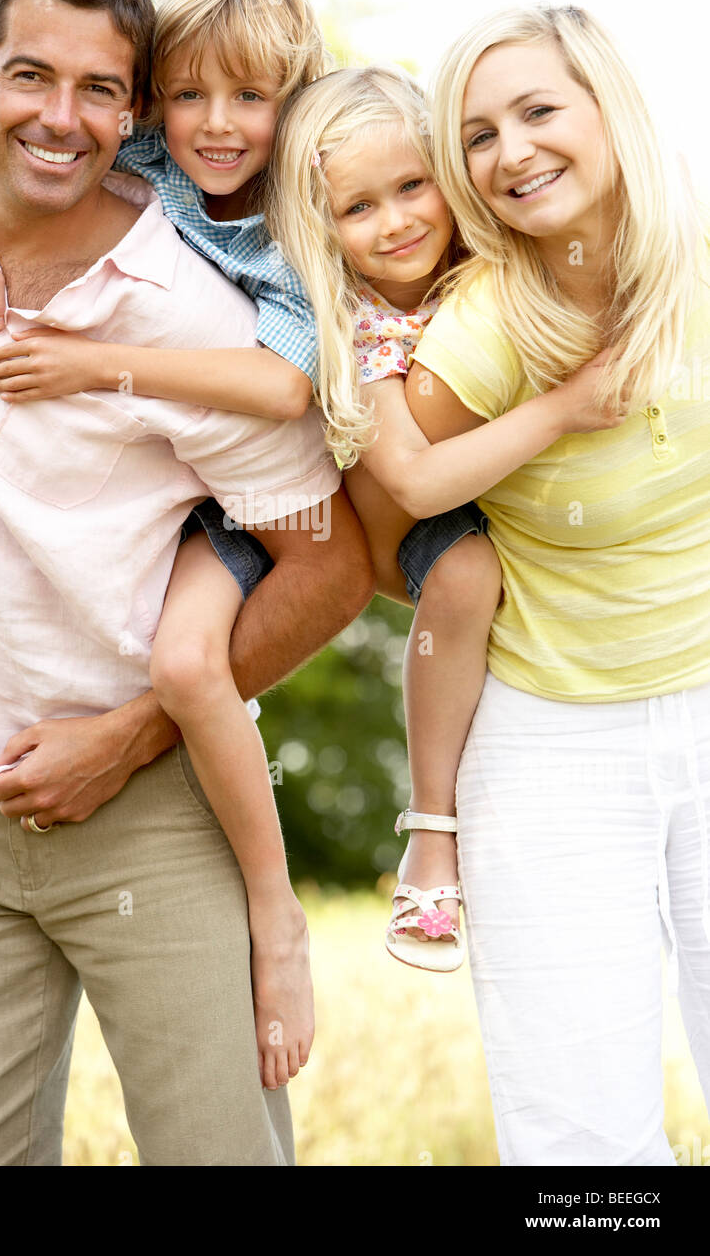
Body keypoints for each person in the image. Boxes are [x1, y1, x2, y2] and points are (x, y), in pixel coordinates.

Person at [0, 0, 374, 1166]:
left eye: (99, 90)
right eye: (30, 76)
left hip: (147, 807)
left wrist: (136, 729)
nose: (60, 117)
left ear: (128, 113)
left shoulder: (189, 303)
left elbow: (330, 562)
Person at [407, 3, 710, 1163]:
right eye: (476, 135)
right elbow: (392, 518)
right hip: (549, 746)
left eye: (537, 111)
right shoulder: (485, 325)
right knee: (578, 1131)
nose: (510, 151)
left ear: (607, 110)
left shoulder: (693, 259)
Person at [265, 64, 627, 968]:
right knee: (467, 576)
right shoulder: (354, 324)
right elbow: (417, 485)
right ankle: (431, 835)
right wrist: (562, 409)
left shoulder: (497, 263)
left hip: (530, 520)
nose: (396, 223)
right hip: (406, 525)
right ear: (323, 229)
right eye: (358, 209)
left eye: (411, 186)